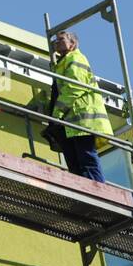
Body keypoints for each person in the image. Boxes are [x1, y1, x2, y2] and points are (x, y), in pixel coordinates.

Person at [47, 30, 113, 183]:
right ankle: (82, 188)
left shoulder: (76, 58)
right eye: (55, 40)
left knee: (86, 157)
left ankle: (98, 191)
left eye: (61, 39)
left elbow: (73, 87)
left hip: (83, 119)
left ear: (72, 44)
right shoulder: (60, 64)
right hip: (71, 121)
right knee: (74, 161)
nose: (57, 42)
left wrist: (56, 114)